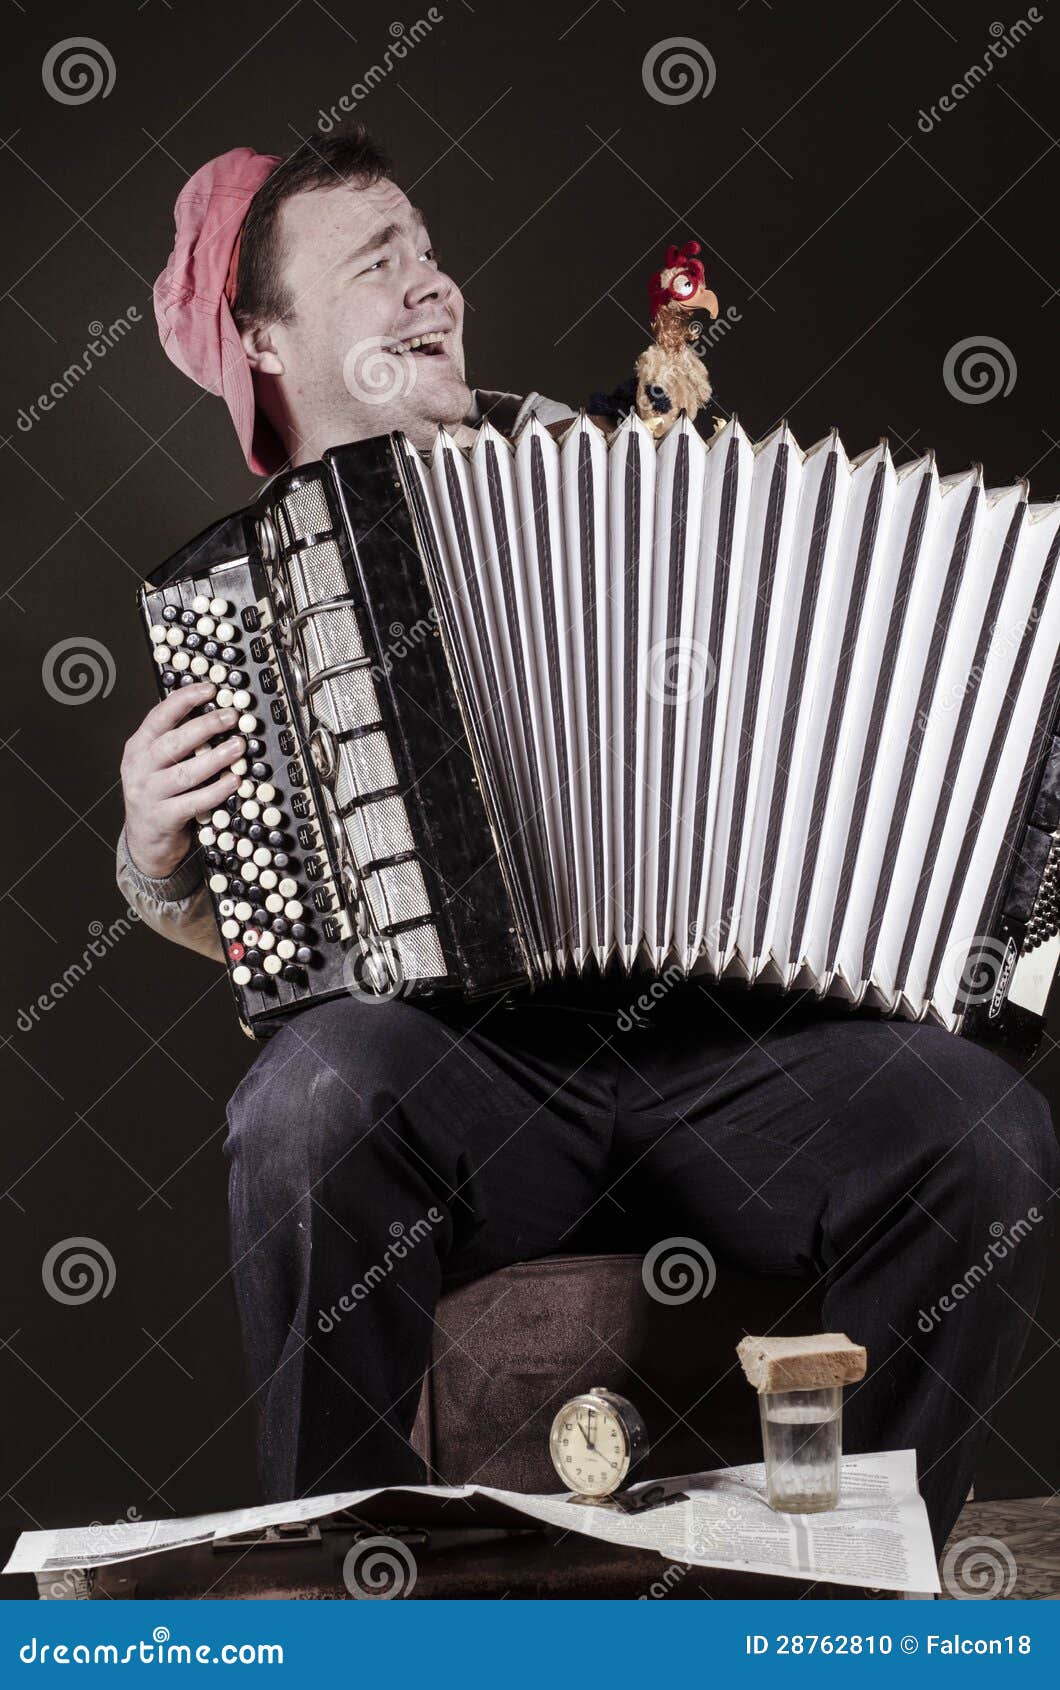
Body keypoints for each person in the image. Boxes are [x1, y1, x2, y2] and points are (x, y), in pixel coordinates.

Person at [116, 127, 1058, 1561]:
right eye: (380, 263)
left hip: (727, 1055)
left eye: (431, 254)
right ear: (263, 336)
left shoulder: (615, 466)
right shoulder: (255, 604)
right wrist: (154, 852)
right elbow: (268, 914)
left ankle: (850, 1583)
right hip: (481, 1093)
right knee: (306, 1099)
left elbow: (827, 688)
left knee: (984, 1134)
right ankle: (350, 1577)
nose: (436, 288)